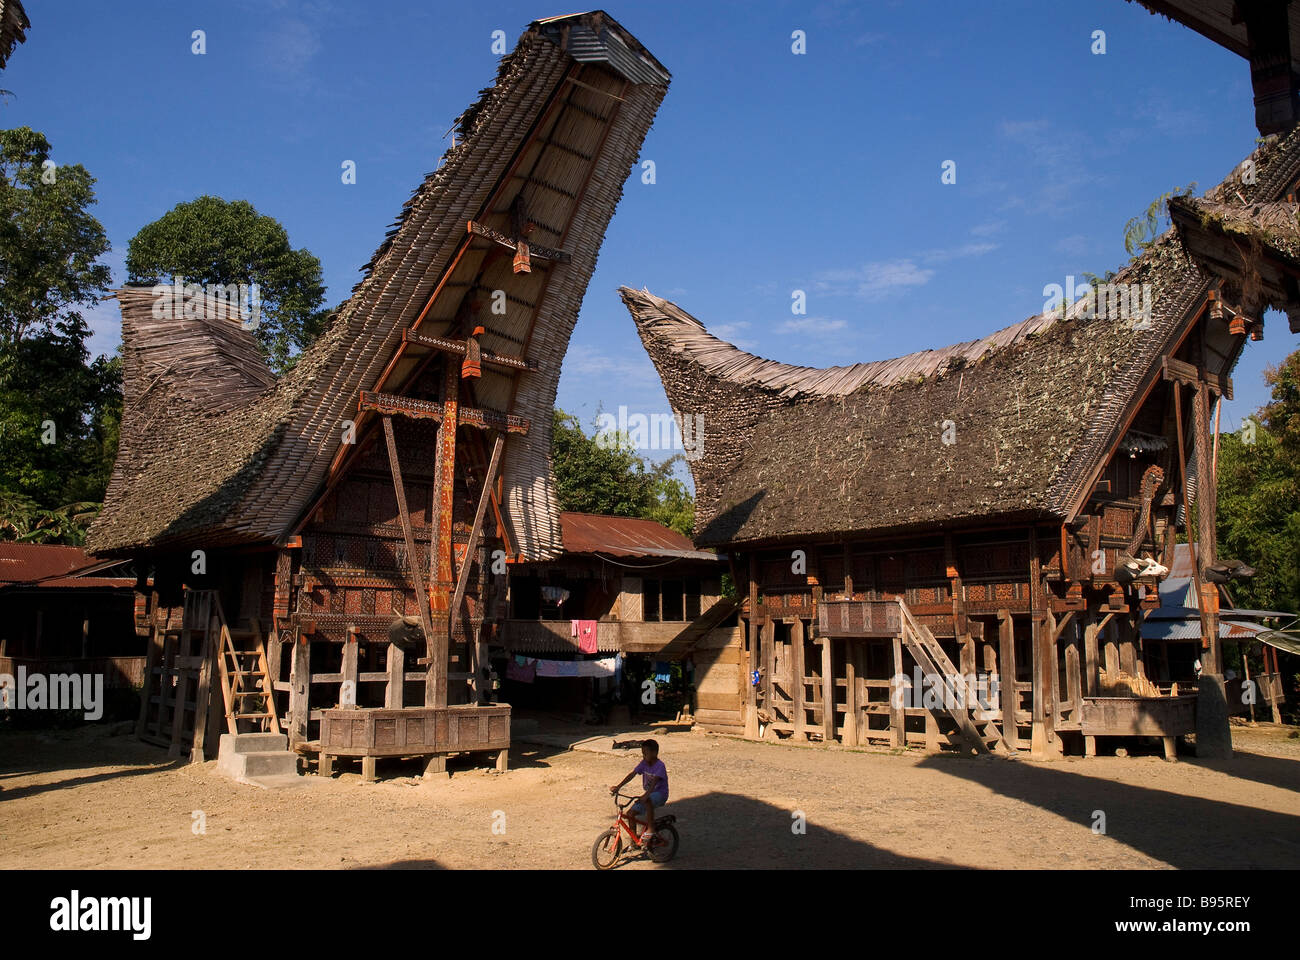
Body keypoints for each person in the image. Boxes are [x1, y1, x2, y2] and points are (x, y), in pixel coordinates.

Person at [610, 739, 668, 846]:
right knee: (630, 814)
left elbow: (654, 783)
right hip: (649, 794)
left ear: (654, 753)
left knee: (648, 799)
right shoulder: (644, 763)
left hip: (660, 794)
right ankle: (634, 841)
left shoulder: (660, 766)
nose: (643, 756)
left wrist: (645, 796)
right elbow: (632, 774)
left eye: (646, 753)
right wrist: (618, 786)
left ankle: (650, 829)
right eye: (643, 753)